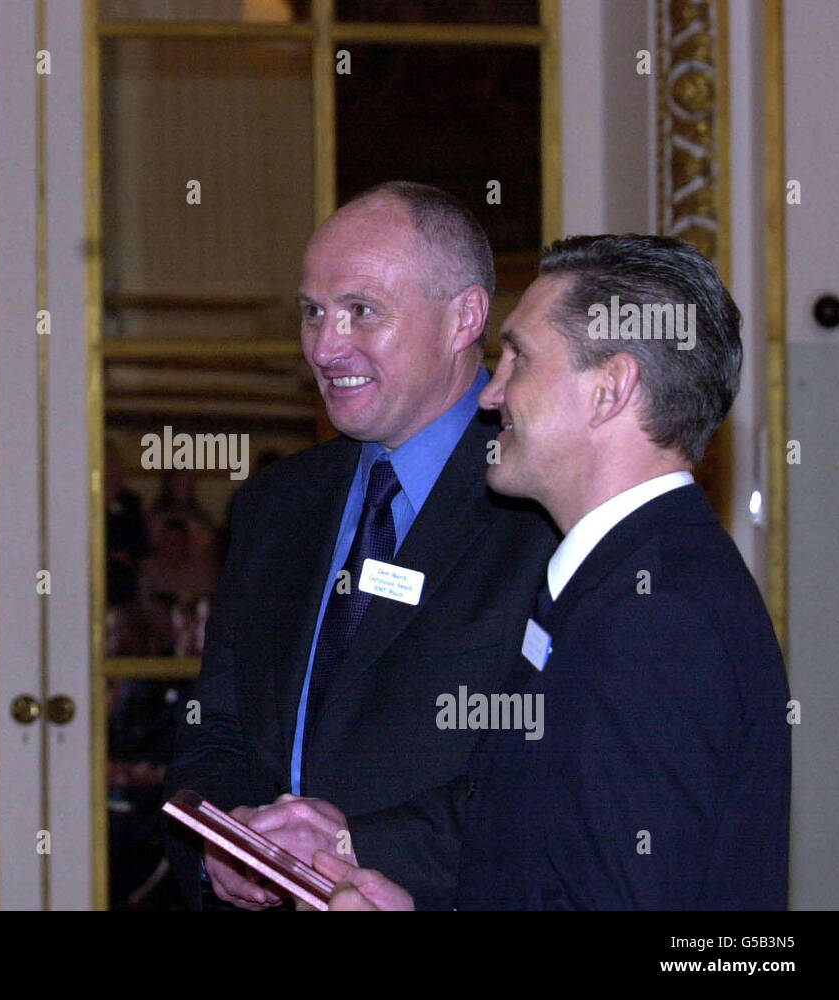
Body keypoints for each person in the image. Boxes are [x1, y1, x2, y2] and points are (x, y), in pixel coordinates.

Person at [316, 234, 790, 910]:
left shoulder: (659, 617)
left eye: (519, 357)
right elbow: (529, 837)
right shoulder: (617, 582)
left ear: (609, 389)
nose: (492, 393)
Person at [163, 181, 559, 909]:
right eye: (313, 312)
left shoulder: (542, 506)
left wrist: (346, 851)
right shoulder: (275, 505)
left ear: (464, 317)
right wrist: (225, 842)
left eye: (361, 312)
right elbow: (215, 732)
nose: (324, 344)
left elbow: (549, 778)